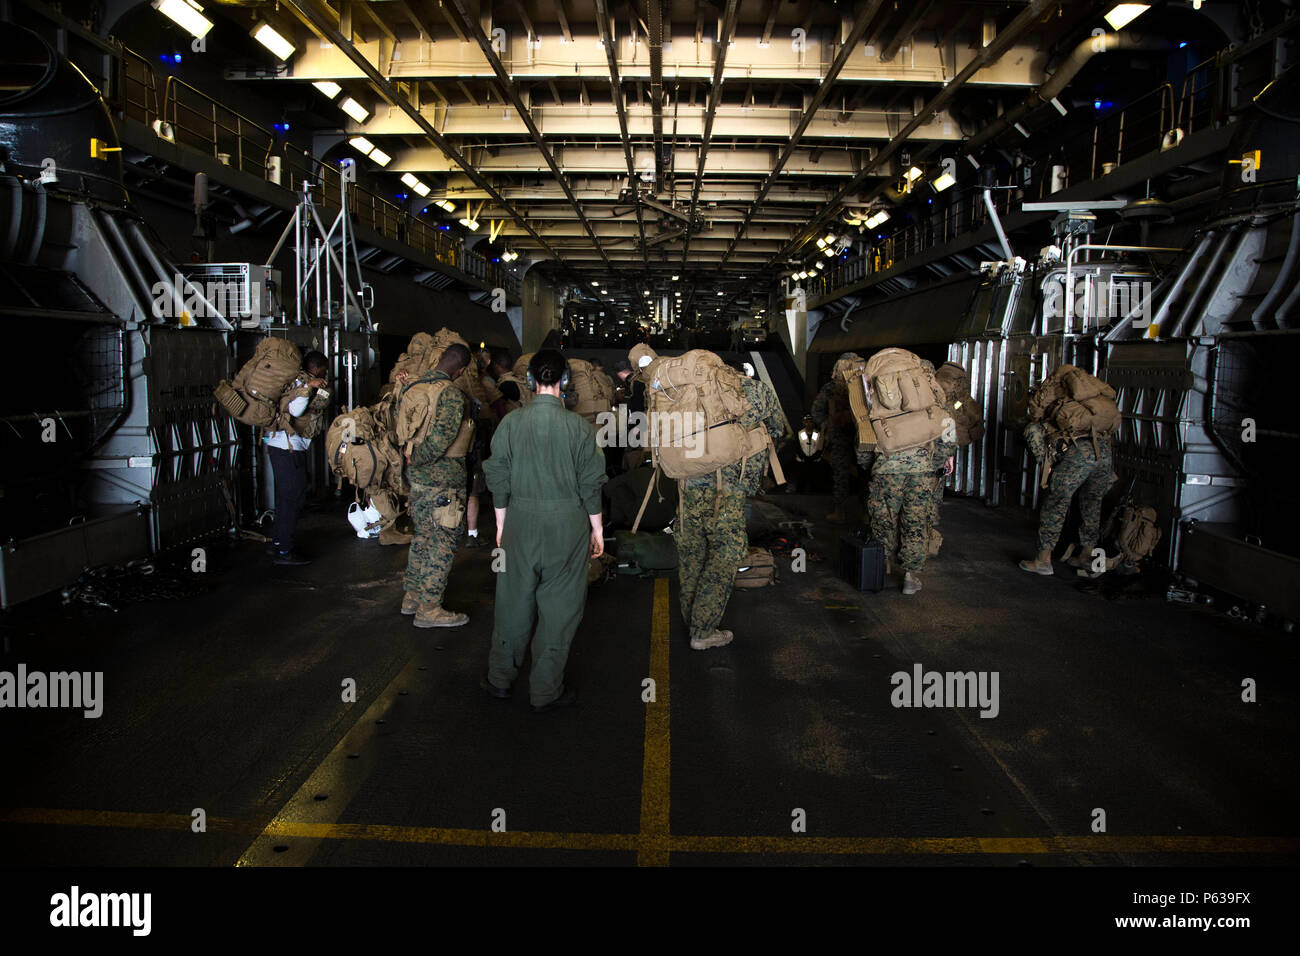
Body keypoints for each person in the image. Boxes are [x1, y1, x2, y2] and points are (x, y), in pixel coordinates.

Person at [482, 350, 607, 712]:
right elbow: (591, 486)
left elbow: (498, 476)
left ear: (530, 381)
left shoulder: (510, 424)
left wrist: (503, 526)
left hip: (519, 522)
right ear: (565, 382)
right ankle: (545, 691)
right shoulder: (580, 428)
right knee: (560, 609)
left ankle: (499, 679)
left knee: (512, 603)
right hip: (568, 526)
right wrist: (596, 530)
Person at [673, 361, 785, 650]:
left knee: (692, 553)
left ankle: (693, 620)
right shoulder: (756, 389)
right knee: (726, 553)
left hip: (688, 487)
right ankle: (703, 630)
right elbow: (777, 429)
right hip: (729, 491)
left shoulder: (687, 391)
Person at [400, 343, 474, 627]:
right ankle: (429, 609)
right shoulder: (451, 394)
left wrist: (411, 460)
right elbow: (441, 440)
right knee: (442, 543)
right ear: (462, 370)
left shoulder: (413, 388)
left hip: (417, 481)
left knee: (422, 537)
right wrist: (419, 458)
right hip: (444, 482)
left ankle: (412, 597)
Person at [1019, 422, 1116, 575]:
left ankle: (1042, 561)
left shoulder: (1035, 428)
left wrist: (1049, 471)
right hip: (1103, 453)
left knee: (1055, 504)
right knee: (1092, 504)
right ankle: (1086, 555)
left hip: (1079, 455)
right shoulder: (1078, 417)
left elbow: (1045, 464)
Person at [866, 437, 956, 596]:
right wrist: (936, 464)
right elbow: (946, 438)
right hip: (921, 470)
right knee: (916, 522)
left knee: (883, 519)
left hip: (887, 467)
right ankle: (909, 576)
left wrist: (871, 466)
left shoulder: (878, 409)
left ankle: (880, 565)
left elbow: (863, 438)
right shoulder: (931, 410)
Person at [265, 350, 330, 566]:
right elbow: (295, 409)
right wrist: (310, 387)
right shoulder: (300, 382)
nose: (325, 374)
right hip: (287, 448)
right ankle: (284, 551)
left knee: (286, 498)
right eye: (323, 370)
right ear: (315, 368)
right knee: (292, 498)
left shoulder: (299, 381)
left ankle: (279, 544)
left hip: (284, 447)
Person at [809, 353, 862, 523]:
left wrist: (827, 425)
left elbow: (816, 411)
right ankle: (864, 514)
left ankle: (841, 512)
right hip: (860, 438)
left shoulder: (831, 388)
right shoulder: (866, 384)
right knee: (862, 475)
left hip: (842, 438)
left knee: (841, 476)